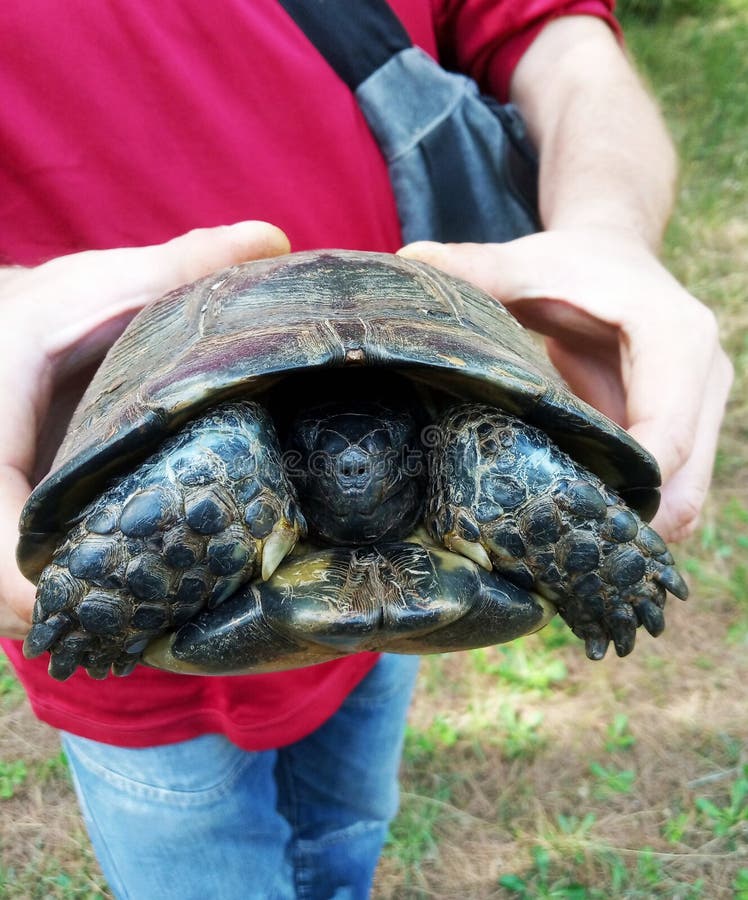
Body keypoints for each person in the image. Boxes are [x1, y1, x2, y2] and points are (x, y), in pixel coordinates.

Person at [0, 2, 732, 898]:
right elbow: (203, 479)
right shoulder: (230, 464)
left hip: (375, 648)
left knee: (347, 832)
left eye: (387, 453)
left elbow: (557, 34)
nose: (352, 470)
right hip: (140, 647)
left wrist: (609, 230)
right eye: (326, 453)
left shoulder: (466, 452)